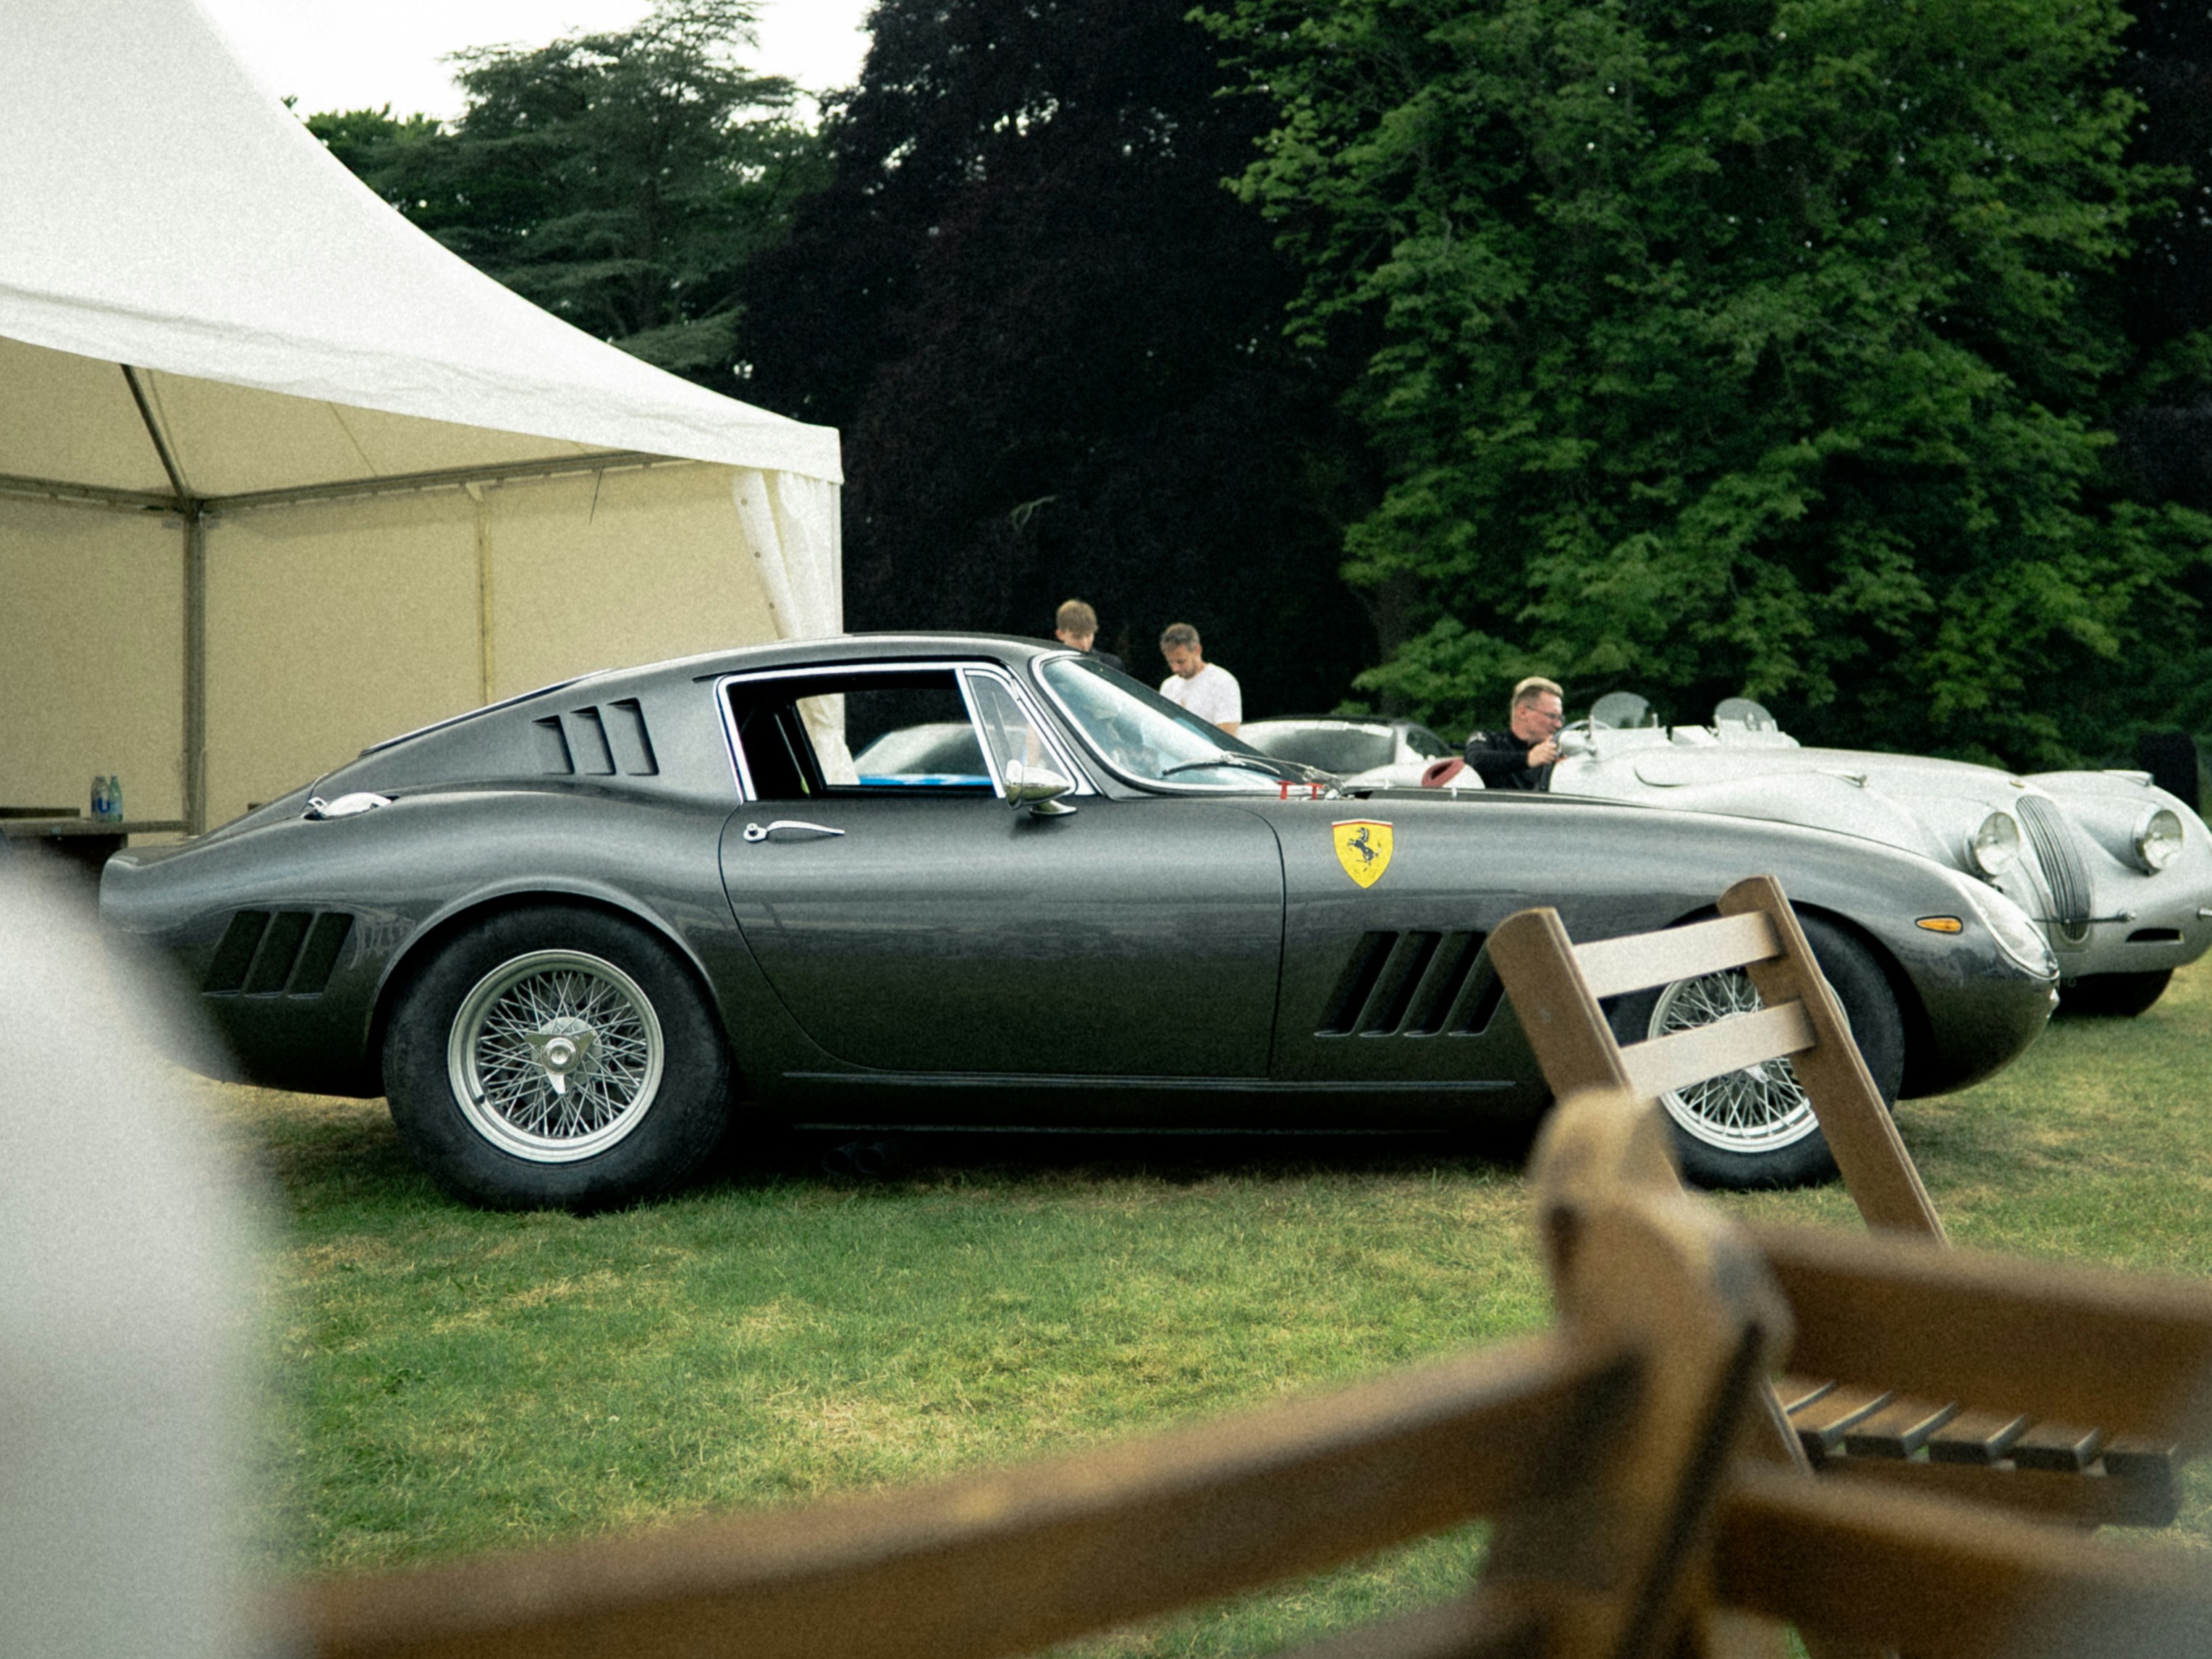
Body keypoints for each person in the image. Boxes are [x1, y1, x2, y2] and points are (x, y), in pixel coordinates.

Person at [1464, 675, 1564, 790]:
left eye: (1560, 718)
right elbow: (1476, 759)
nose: (1558, 725)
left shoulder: (1557, 753)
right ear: (1523, 713)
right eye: (1552, 716)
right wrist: (1528, 759)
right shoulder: (1490, 740)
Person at [1157, 622, 1241, 735]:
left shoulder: (1223, 682)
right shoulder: (1168, 686)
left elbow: (1227, 736)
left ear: (1197, 650)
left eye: (1181, 661)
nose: (1175, 668)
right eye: (1170, 662)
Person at [1053, 599, 1124, 672]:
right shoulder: (1051, 667)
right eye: (1077, 637)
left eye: (1088, 636)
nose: (1084, 644)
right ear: (1060, 635)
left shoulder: (1111, 665)